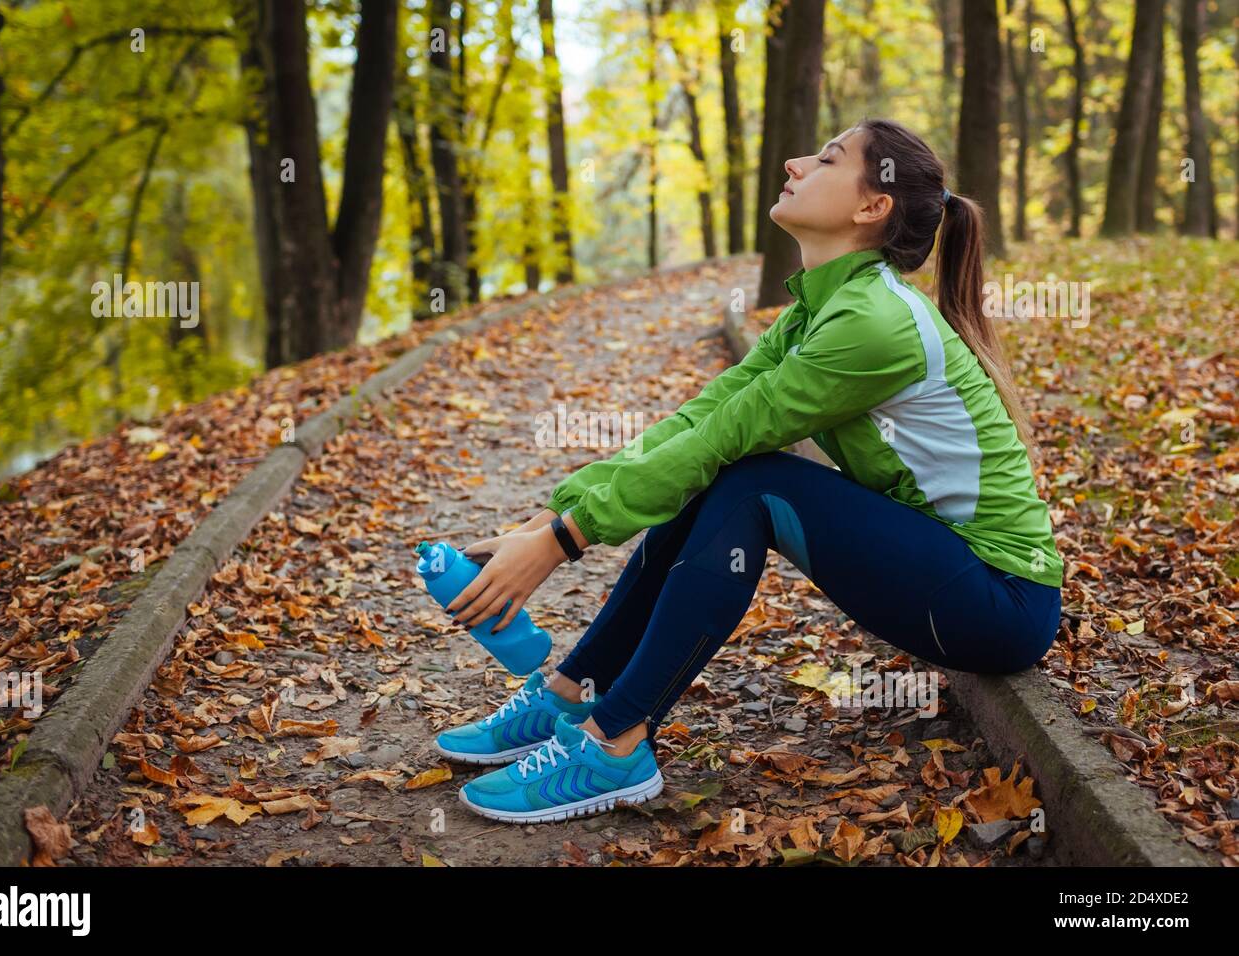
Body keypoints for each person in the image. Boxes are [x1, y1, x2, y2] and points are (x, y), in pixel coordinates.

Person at [434, 119, 1064, 825]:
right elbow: (698, 423)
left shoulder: (874, 323)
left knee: (752, 480)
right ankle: (571, 691)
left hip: (1000, 602)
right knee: (720, 469)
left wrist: (562, 541)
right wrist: (554, 518)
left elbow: (725, 439)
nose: (795, 162)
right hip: (943, 572)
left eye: (826, 158)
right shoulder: (822, 308)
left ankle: (614, 743)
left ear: (871, 206)